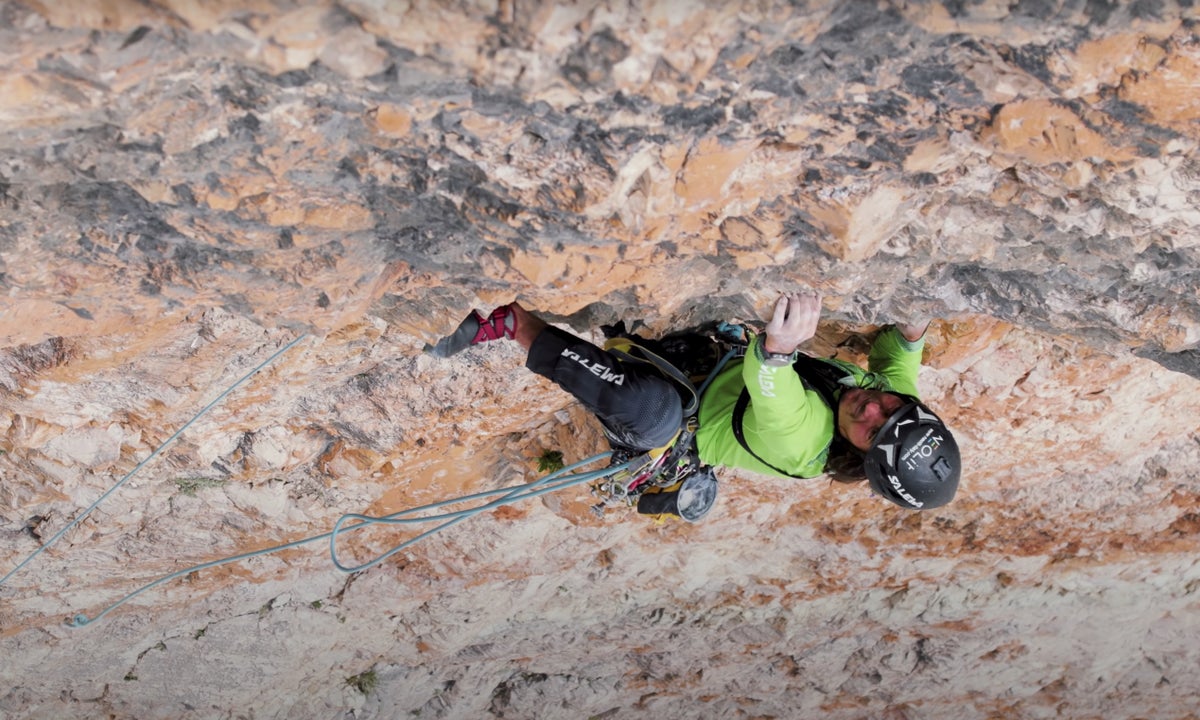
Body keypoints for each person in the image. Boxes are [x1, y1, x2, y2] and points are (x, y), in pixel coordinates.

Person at [425, 290, 960, 516]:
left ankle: (512, 323)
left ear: (862, 457)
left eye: (872, 429)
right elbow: (901, 355)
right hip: (713, 364)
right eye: (890, 408)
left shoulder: (805, 441)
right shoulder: (896, 409)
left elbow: (772, 385)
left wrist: (781, 348)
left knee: (652, 415)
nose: (871, 408)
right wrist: (917, 316)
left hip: (684, 421)